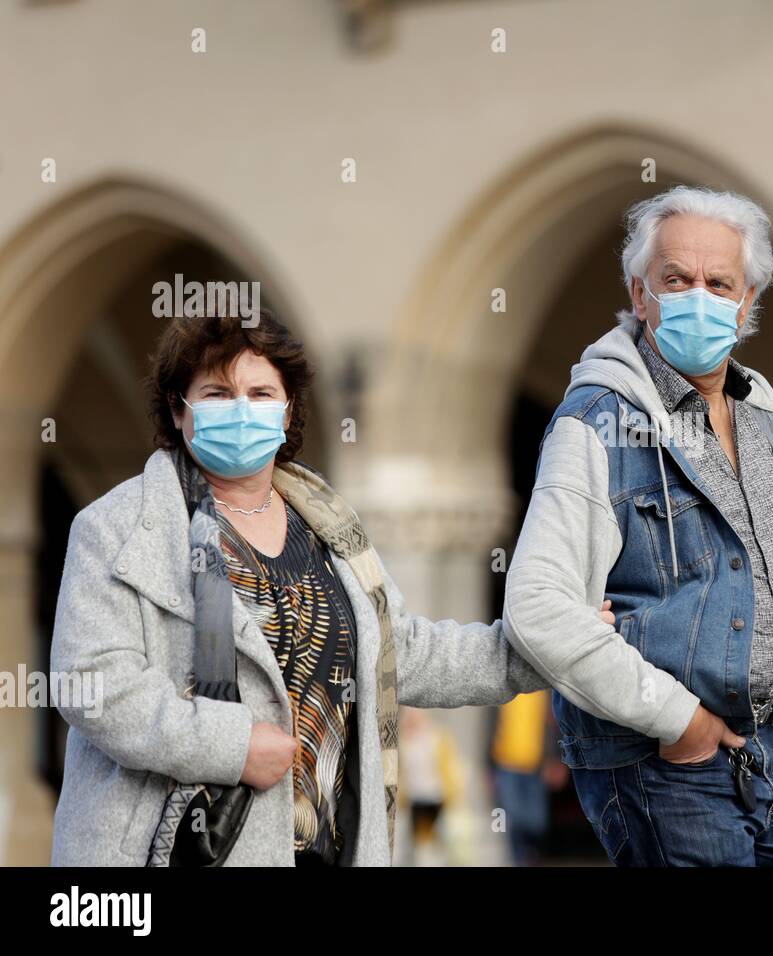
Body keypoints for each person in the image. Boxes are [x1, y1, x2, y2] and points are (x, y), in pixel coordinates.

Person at [49, 309, 615, 866]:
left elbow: (406, 652)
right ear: (179, 409)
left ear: (288, 408)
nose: (241, 410)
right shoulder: (117, 526)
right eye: (217, 395)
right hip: (183, 849)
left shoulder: (326, 523)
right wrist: (233, 746)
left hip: (329, 845)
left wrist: (550, 643)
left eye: (261, 393)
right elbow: (94, 685)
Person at [503, 185, 773, 866]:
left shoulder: (770, 423)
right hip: (664, 758)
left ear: (747, 303)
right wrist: (679, 722)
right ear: (640, 295)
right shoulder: (595, 422)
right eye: (676, 279)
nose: (699, 296)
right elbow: (538, 608)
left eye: (719, 282)